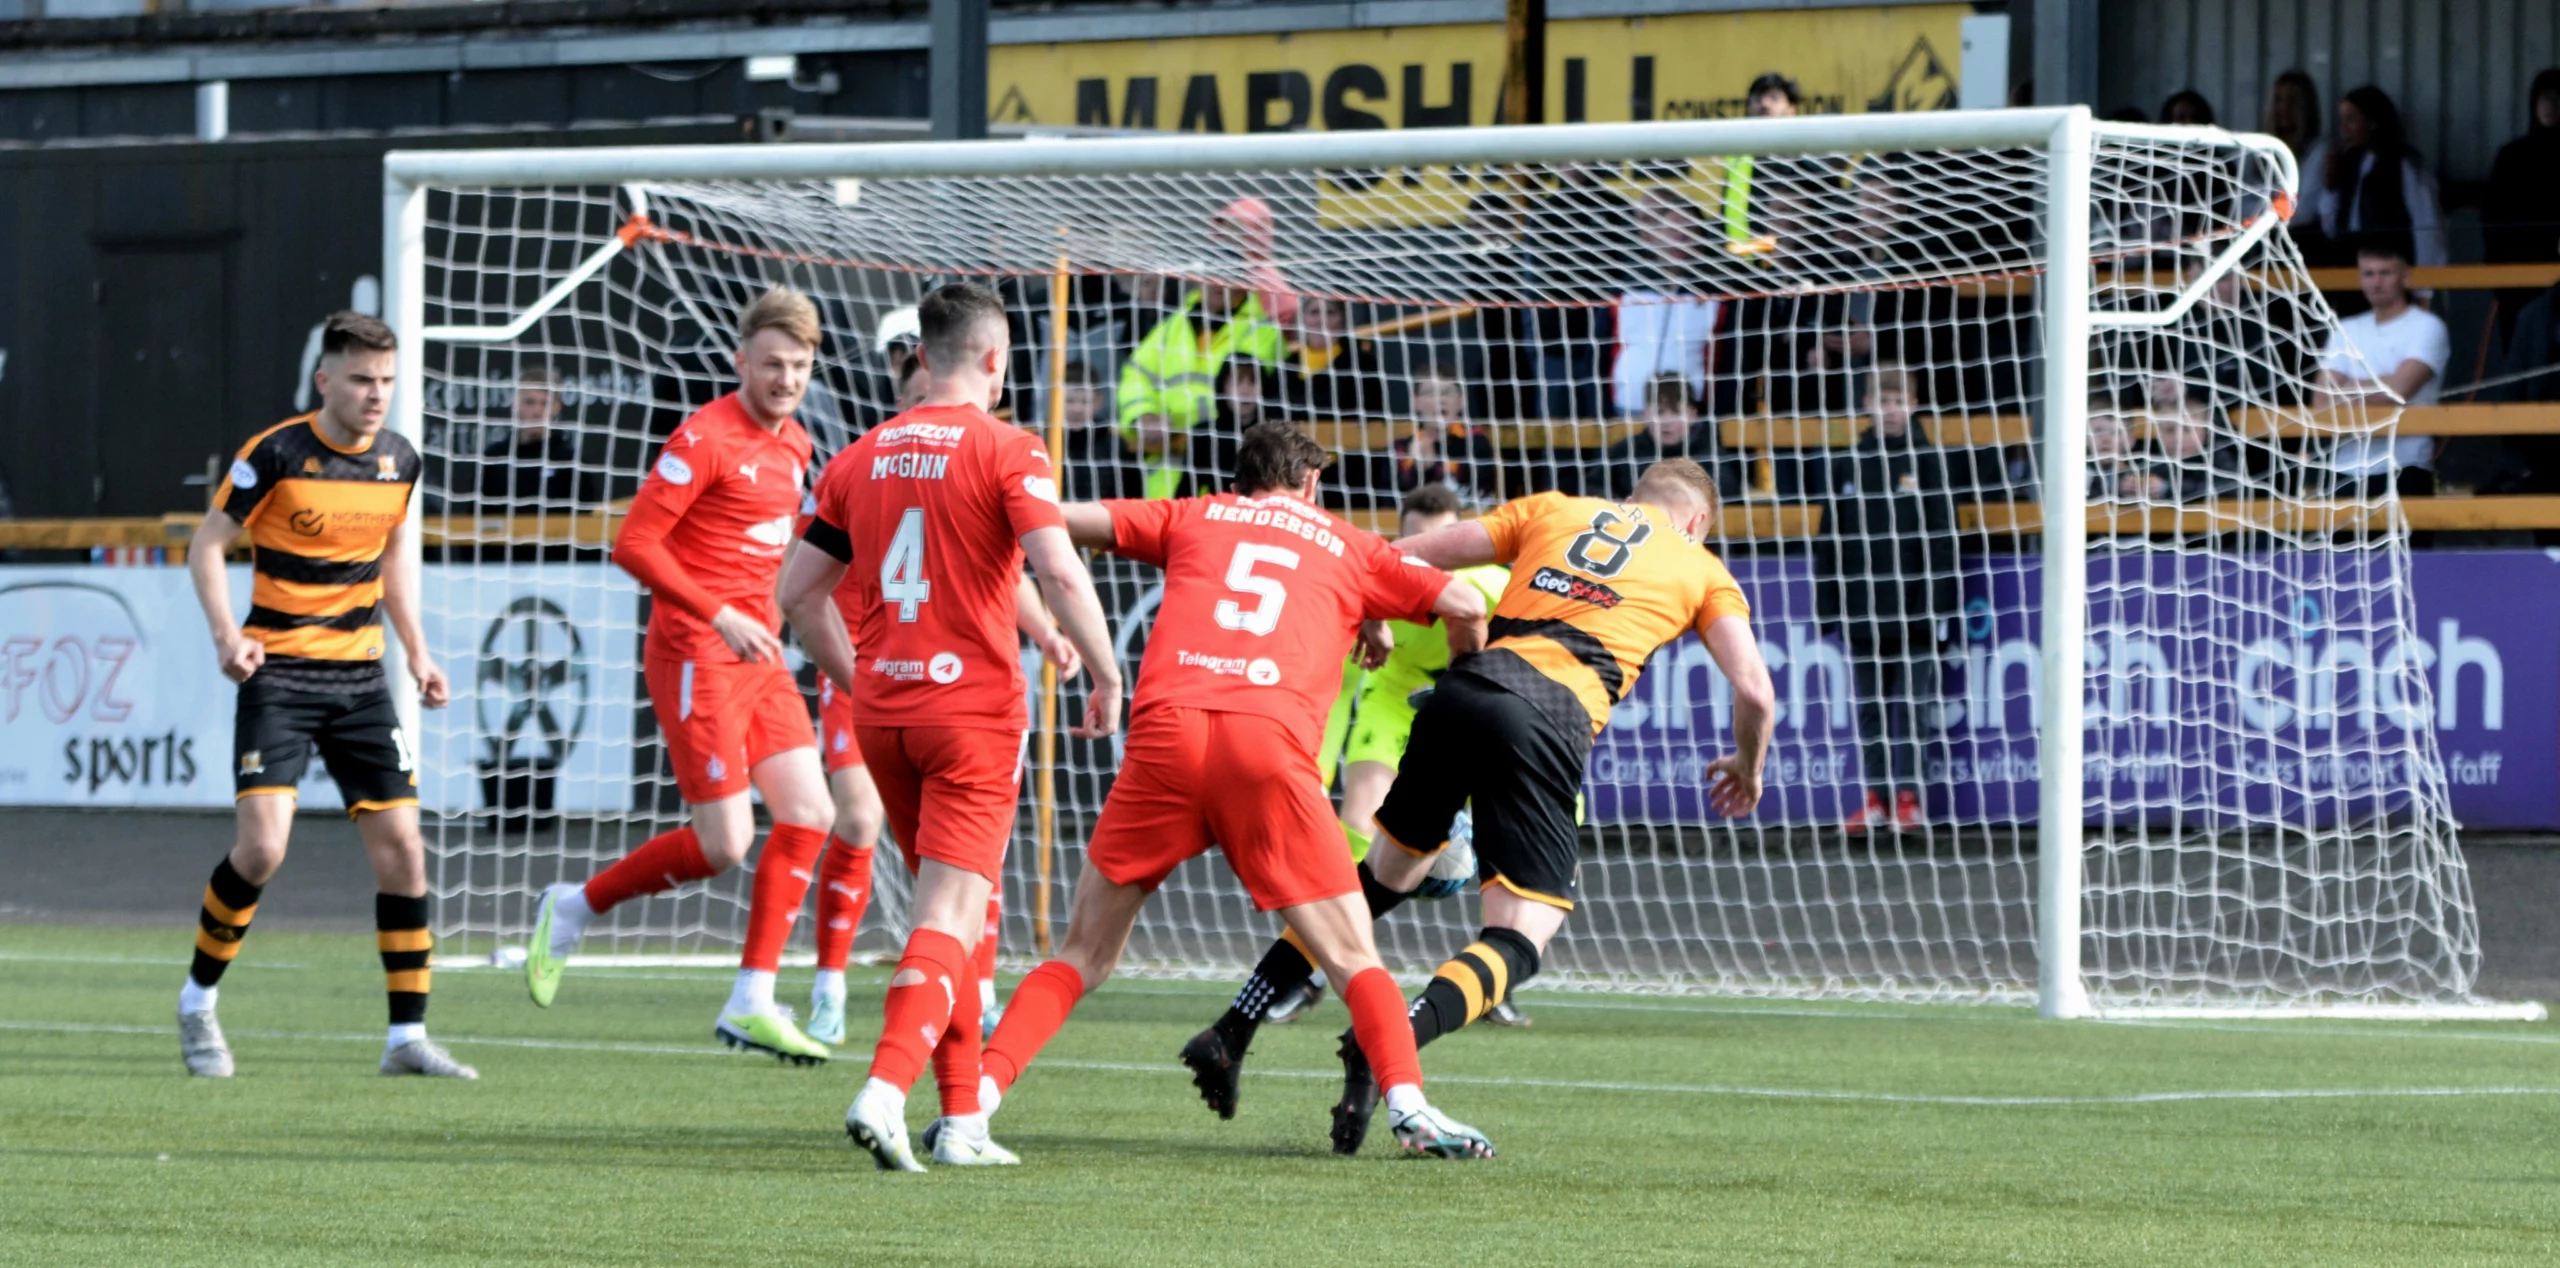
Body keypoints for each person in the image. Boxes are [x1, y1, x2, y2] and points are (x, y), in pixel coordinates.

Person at [1188, 460, 1775, 1152]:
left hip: (1458, 695)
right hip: (1545, 718)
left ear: (1631, 499)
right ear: (1699, 524)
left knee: (1379, 879)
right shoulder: (1704, 570)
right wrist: (1747, 764)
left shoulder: (1554, 508)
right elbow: (1757, 693)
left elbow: (1398, 557)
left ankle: (1233, 1026)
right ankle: (1390, 1040)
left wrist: (1368, 612)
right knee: (1521, 938)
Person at [968, 423, 1500, 1161]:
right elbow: (1468, 604)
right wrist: (1456, 690)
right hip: (1268, 751)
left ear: (1238, 477)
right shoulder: (1344, 541)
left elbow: (1060, 518)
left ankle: (974, 1106)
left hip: (1166, 742)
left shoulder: (1193, 514)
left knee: (1081, 954)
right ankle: (1410, 1108)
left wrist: (984, 505)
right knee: (1353, 959)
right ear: (1311, 485)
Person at [781, 281, 1122, 1170]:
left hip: (885, 714)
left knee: (956, 922)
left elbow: (796, 597)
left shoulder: (858, 458)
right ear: (997, 362)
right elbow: (1056, 566)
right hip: (970, 710)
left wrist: (860, 681)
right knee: (953, 909)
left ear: (922, 358)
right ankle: (887, 1091)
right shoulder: (1012, 448)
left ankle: (964, 1118)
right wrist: (1109, 669)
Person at [521, 290, 836, 1064]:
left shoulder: (797, 443)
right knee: (725, 843)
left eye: (798, 366)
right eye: (771, 365)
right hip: (695, 651)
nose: (785, 379)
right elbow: (634, 543)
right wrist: (716, 609)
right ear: (741, 363)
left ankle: (752, 997)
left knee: (810, 813)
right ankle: (573, 907)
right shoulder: (705, 437)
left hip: (758, 658)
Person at [177, 311, 471, 1080]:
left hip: (360, 679)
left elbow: (396, 559)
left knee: (405, 850)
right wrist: (224, 637)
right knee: (264, 847)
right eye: (363, 380)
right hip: (278, 674)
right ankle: (197, 1002)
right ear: (326, 380)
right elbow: (206, 546)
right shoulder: (274, 453)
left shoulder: (400, 460)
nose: (377, 396)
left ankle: (406, 1037)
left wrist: (418, 651)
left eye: (387, 382)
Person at [1261, 485, 1518, 1028]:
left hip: (1482, 697)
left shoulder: (1497, 589)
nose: (1428, 553)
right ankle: (1309, 970)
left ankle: (1494, 973)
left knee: (1512, 837)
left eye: (1442, 540)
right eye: (1417, 541)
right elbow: (1342, 680)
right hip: (1398, 697)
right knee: (1358, 822)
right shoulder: (1375, 588)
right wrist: (1313, 764)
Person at [1811, 365, 1957, 833]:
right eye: (1882, 400)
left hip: (1915, 612)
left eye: (1899, 400)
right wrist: (1829, 608)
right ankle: (1875, 798)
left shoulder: (1929, 461)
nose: (1891, 409)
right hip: (1864, 611)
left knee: (1913, 710)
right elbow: (1830, 538)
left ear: (1913, 404)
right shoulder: (1849, 461)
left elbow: (1943, 539)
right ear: (1867, 404)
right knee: (1871, 709)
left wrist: (1937, 607)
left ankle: (1909, 801)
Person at [1118, 280, 1285, 498]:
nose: (1218, 284)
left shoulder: (1263, 330)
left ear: (1242, 283)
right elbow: (1136, 374)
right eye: (1211, 277)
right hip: (1166, 467)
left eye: (1225, 278)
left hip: (1231, 461)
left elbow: (1260, 396)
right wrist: (1143, 414)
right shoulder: (1172, 325)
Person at [2315, 238, 2448, 497]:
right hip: (2345, 467)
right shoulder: (2347, 328)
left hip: (2406, 465)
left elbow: (2398, 391)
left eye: (2385, 273)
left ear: (2406, 277)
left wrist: (2348, 387)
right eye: (2369, 274)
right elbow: (2321, 398)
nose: (2376, 282)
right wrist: (2383, 383)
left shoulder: (2427, 326)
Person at [2310, 87, 2446, 268]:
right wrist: (2331, 188)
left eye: (2351, 120)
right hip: (2350, 270)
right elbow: (2331, 229)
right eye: (2342, 121)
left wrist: (2425, 285)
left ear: (2372, 121)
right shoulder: (2348, 164)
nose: (2343, 130)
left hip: (2391, 269)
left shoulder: (2404, 164)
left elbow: (2426, 226)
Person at [1612, 189, 1720, 419]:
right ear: (1653, 235)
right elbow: (1602, 352)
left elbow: (1722, 359)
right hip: (1628, 406)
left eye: (1689, 230)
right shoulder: (1624, 290)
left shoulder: (1715, 295)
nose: (1680, 237)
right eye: (1672, 229)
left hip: (1688, 413)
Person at [477, 366, 596, 514]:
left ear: (557, 407)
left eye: (544, 404)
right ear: (516, 404)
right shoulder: (494, 458)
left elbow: (584, 520)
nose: (537, 412)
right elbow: (474, 519)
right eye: (529, 402)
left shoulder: (571, 461)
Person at [1580, 373, 1711, 500]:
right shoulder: (1626, 451)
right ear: (1646, 414)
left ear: (1693, 416)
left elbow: (1725, 491)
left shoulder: (1707, 452)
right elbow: (1592, 487)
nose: (1667, 421)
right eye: (1660, 412)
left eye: (1676, 413)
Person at [1388, 357, 1501, 505]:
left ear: (1462, 401)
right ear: (1415, 402)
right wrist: (1418, 470)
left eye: (1448, 392)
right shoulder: (1401, 448)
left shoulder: (1476, 443)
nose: (1440, 400)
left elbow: (1483, 498)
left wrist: (1432, 468)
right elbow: (1390, 504)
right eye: (1429, 393)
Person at [2123, 391, 2244, 505]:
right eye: (2169, 430)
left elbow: (2232, 489)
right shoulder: (2153, 461)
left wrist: (2169, 489)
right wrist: (2129, 487)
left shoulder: (2218, 457)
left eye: (2187, 429)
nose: (2178, 438)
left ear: (2205, 432)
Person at [1058, 360, 1148, 500]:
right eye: (1069, 401)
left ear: (1098, 402)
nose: (1077, 409)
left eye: (1084, 402)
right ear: (1055, 400)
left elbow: (1133, 495)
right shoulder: (1043, 441)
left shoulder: (1115, 445)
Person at [2263, 71, 2328, 238]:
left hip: (2300, 238)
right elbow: (2245, 206)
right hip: (2257, 238)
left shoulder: (2318, 152)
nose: (2284, 107)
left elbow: (2305, 211)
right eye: (2279, 100)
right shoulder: (2261, 150)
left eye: (2292, 101)